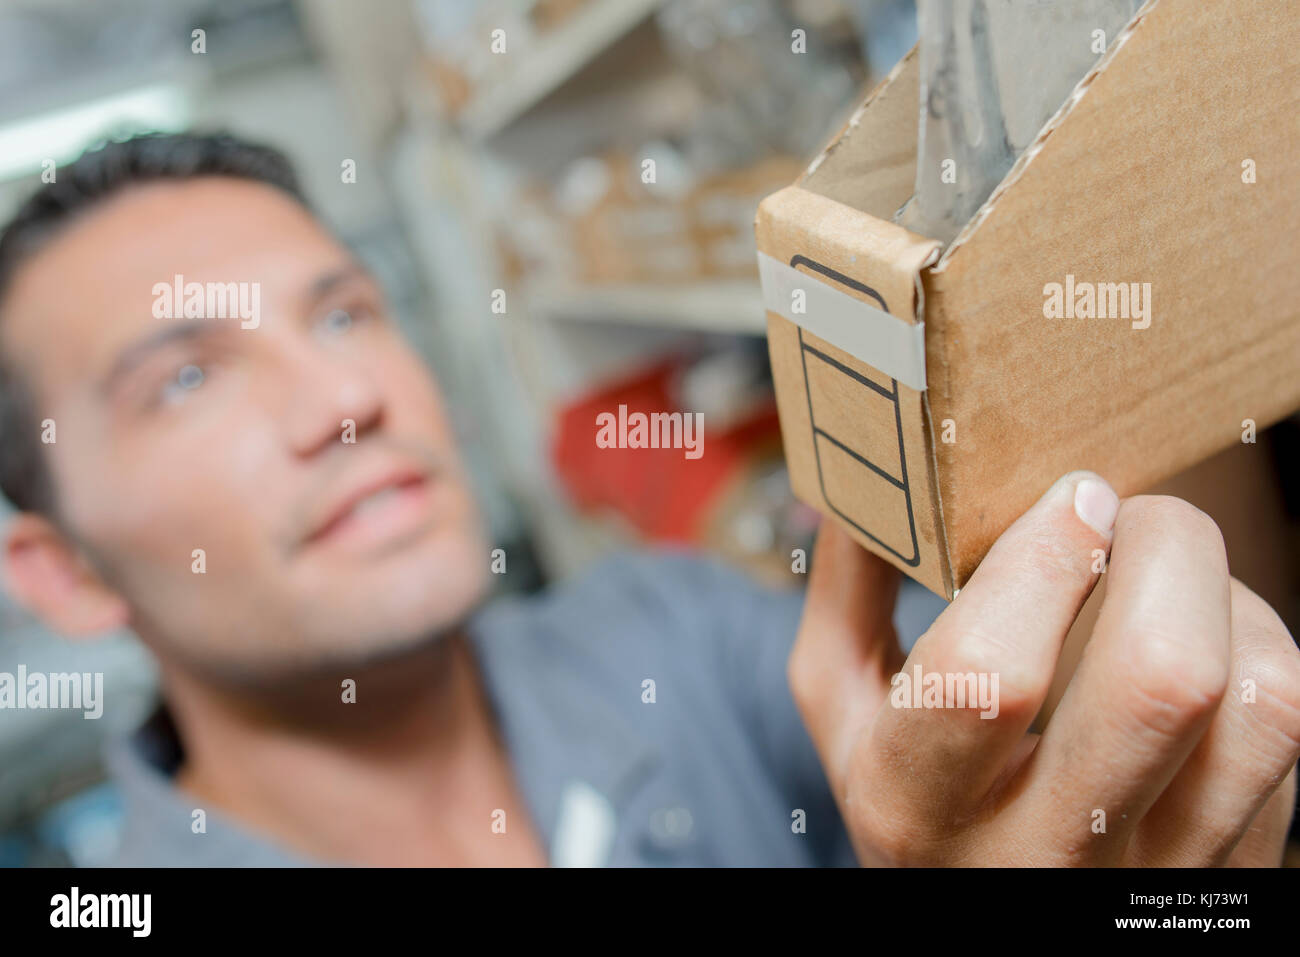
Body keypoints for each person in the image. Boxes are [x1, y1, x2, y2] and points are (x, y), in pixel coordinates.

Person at [0, 133, 1295, 867]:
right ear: (64, 572)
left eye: (342, 310)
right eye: (183, 378)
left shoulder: (664, 627)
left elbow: (1016, 752)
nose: (343, 397)